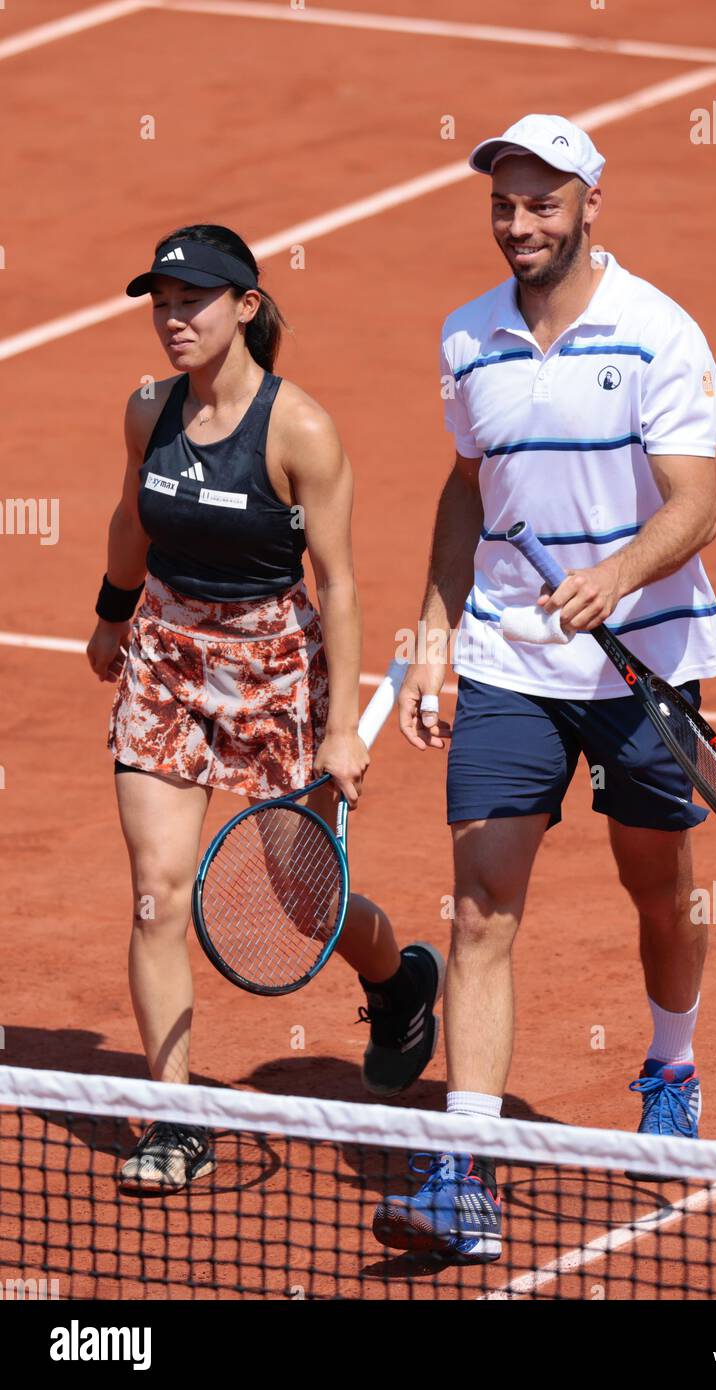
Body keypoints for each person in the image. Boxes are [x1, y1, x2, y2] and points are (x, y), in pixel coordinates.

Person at [375, 115, 716, 1262]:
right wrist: (433, 634)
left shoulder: (659, 331)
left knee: (658, 889)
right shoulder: (467, 336)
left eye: (541, 203)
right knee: (480, 906)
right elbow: (465, 486)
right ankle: (463, 1165)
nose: (518, 224)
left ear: (588, 205)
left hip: (644, 666)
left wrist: (616, 577)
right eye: (503, 205)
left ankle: (670, 1063)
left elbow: (695, 503)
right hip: (506, 660)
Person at [86, 224, 443, 1189]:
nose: (171, 319)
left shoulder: (300, 430)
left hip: (277, 672)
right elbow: (131, 520)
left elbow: (342, 585)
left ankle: (399, 976)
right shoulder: (147, 410)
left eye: (191, 301)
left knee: (301, 906)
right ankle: (175, 1119)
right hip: (165, 660)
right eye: (159, 302)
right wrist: (114, 617)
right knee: (157, 890)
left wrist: (338, 731)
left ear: (245, 307)